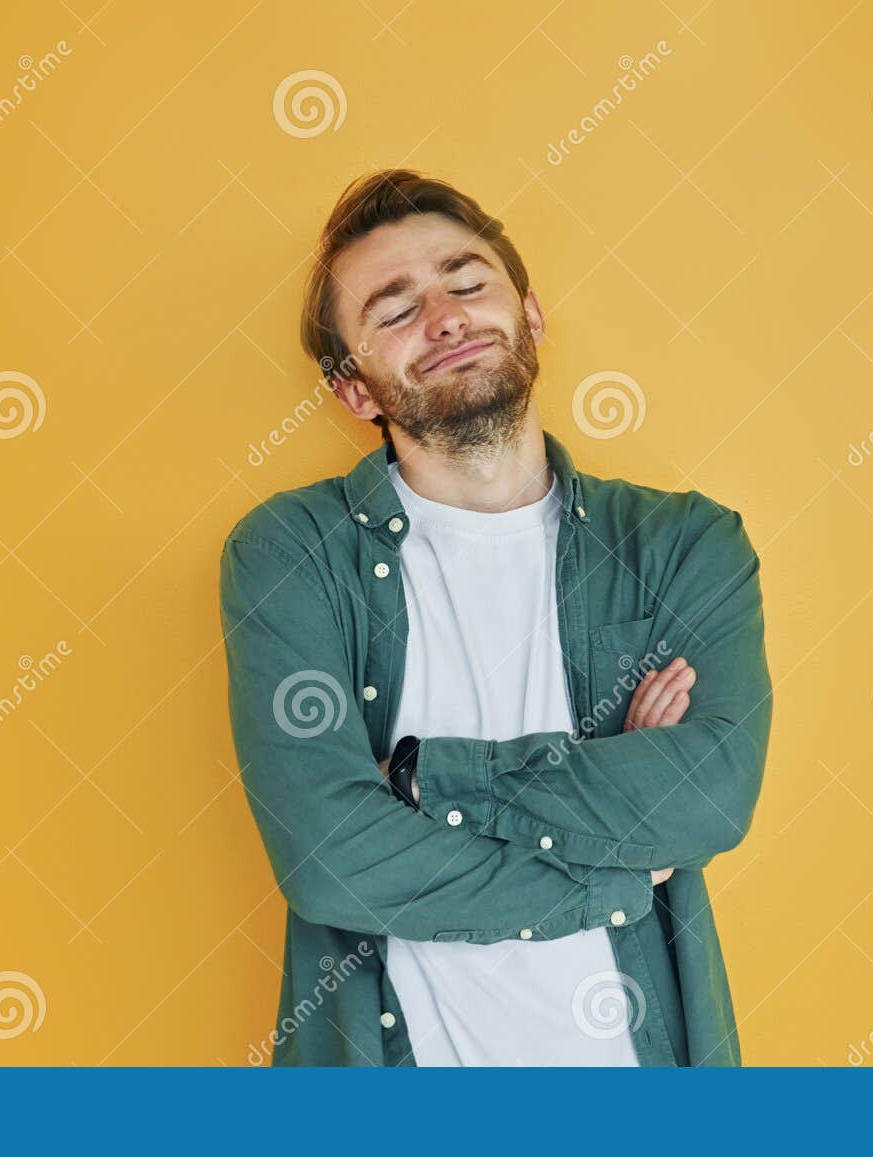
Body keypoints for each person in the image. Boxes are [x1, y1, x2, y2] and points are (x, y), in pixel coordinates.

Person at [219, 169, 773, 1065]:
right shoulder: (293, 555)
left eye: (468, 283)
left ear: (532, 318)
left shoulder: (682, 544)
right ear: (354, 389)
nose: (444, 317)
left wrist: (422, 778)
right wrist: (613, 877)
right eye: (394, 312)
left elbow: (706, 794)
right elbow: (330, 856)